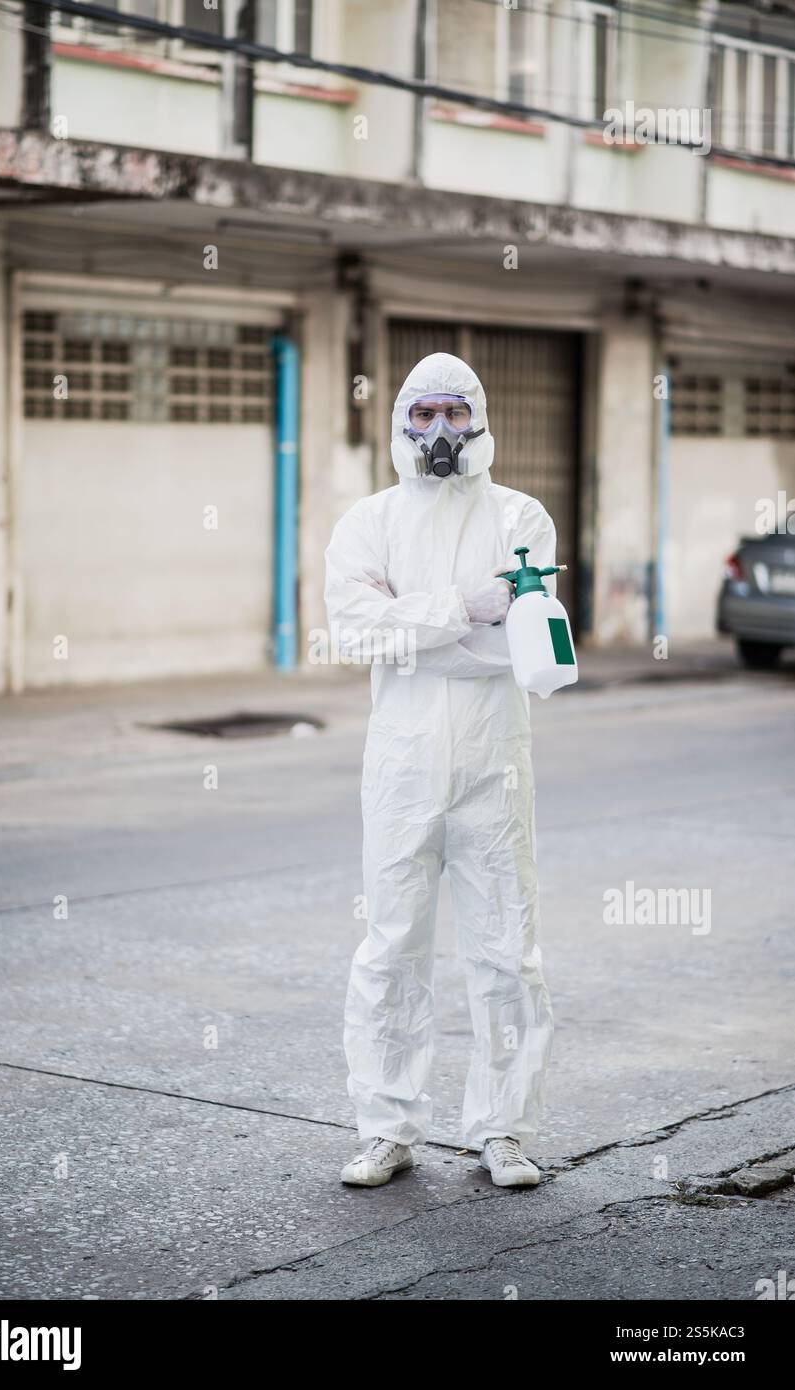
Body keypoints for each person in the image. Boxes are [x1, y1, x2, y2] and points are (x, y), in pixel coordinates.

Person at [323, 351, 558, 1190]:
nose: (439, 432)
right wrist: (463, 608)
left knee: (506, 952)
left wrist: (412, 621)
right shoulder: (368, 523)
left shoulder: (521, 516)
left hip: (495, 763)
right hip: (400, 765)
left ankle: (504, 1131)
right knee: (390, 947)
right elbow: (356, 633)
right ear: (399, 423)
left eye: (454, 413)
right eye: (422, 414)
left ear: (479, 419)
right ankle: (385, 1128)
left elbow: (518, 646)